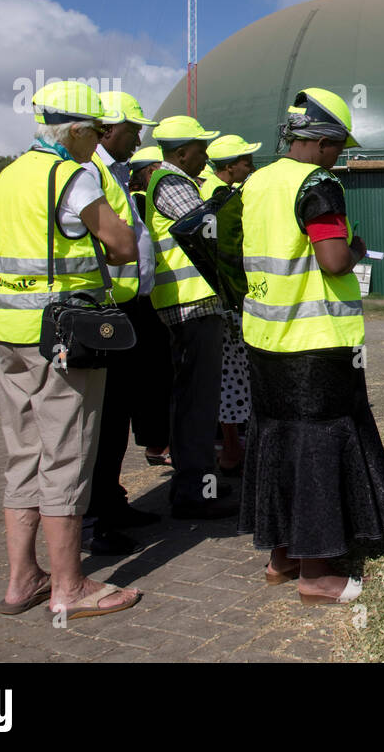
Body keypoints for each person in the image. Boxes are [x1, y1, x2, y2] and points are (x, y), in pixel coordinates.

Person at [238, 88, 384, 604]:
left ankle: (282, 557)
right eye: (339, 147)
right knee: (316, 448)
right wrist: (355, 248)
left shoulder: (257, 182)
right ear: (322, 141)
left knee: (278, 441)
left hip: (265, 339)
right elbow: (332, 259)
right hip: (315, 345)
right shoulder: (319, 184)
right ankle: (317, 573)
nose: (341, 157)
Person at [0, 80, 141, 620]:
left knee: (23, 454)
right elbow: (122, 245)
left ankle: (22, 580)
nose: (99, 142)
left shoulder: (5, 178)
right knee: (66, 457)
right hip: (61, 339)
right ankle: (69, 588)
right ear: (75, 130)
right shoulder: (69, 177)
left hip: (8, 334)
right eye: (96, 132)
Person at [75, 91, 162, 555]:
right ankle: (94, 519)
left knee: (121, 413)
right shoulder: (90, 172)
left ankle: (112, 499)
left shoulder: (114, 172)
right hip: (109, 312)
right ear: (109, 130)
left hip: (131, 308)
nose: (139, 136)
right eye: (133, 129)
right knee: (104, 420)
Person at [145, 115, 237, 519]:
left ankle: (197, 484)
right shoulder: (173, 183)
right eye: (201, 150)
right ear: (182, 153)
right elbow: (207, 230)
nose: (206, 157)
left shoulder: (170, 182)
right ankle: (196, 492)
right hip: (192, 304)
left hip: (188, 304)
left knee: (193, 399)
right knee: (198, 402)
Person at [200, 134, 263, 473]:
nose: (251, 166)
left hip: (215, 299)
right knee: (236, 375)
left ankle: (231, 447)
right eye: (245, 161)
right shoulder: (220, 197)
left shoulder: (207, 187)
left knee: (229, 374)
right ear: (228, 167)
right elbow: (230, 252)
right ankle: (235, 450)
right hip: (228, 300)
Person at [125, 144, 173, 466]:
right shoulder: (142, 203)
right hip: (145, 302)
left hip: (142, 298)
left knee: (150, 375)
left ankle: (155, 442)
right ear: (150, 172)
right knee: (153, 375)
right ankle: (157, 443)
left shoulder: (137, 201)